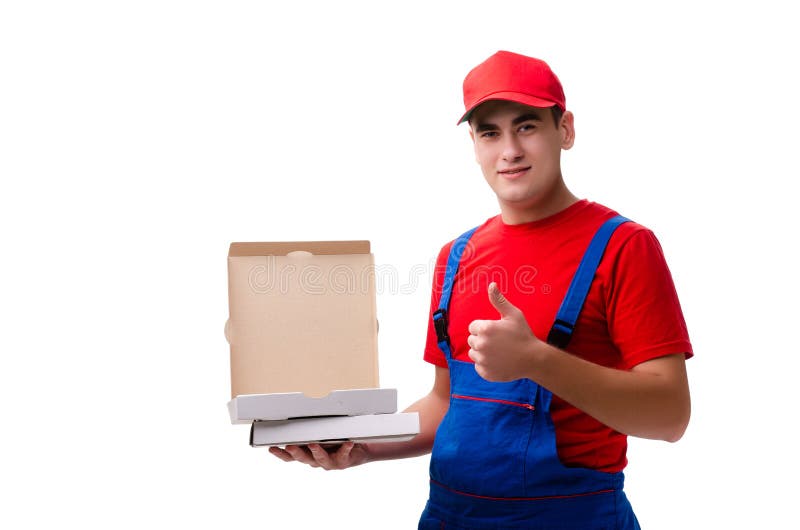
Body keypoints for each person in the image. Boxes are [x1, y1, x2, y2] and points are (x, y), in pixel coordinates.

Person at [270, 50, 692, 529]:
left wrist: (537, 360)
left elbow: (670, 416)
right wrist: (362, 446)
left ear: (565, 129)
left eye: (527, 126)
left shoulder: (623, 247)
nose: (509, 150)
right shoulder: (456, 257)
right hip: (450, 518)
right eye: (490, 133)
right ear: (474, 143)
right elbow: (445, 404)